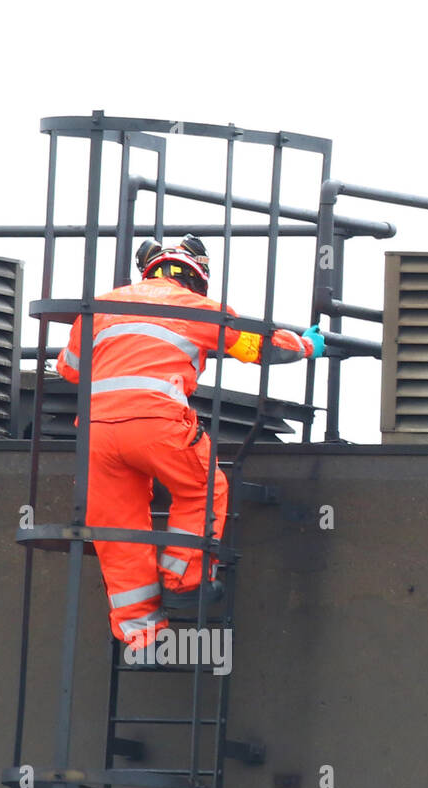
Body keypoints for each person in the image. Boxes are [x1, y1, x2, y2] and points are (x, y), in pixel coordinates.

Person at [56, 235, 325, 648]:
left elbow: (70, 368)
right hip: (155, 423)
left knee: (117, 529)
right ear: (196, 278)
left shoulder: (102, 306)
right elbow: (258, 346)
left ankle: (141, 636)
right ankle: (184, 583)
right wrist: (305, 346)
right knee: (203, 486)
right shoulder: (195, 307)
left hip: (95, 433)